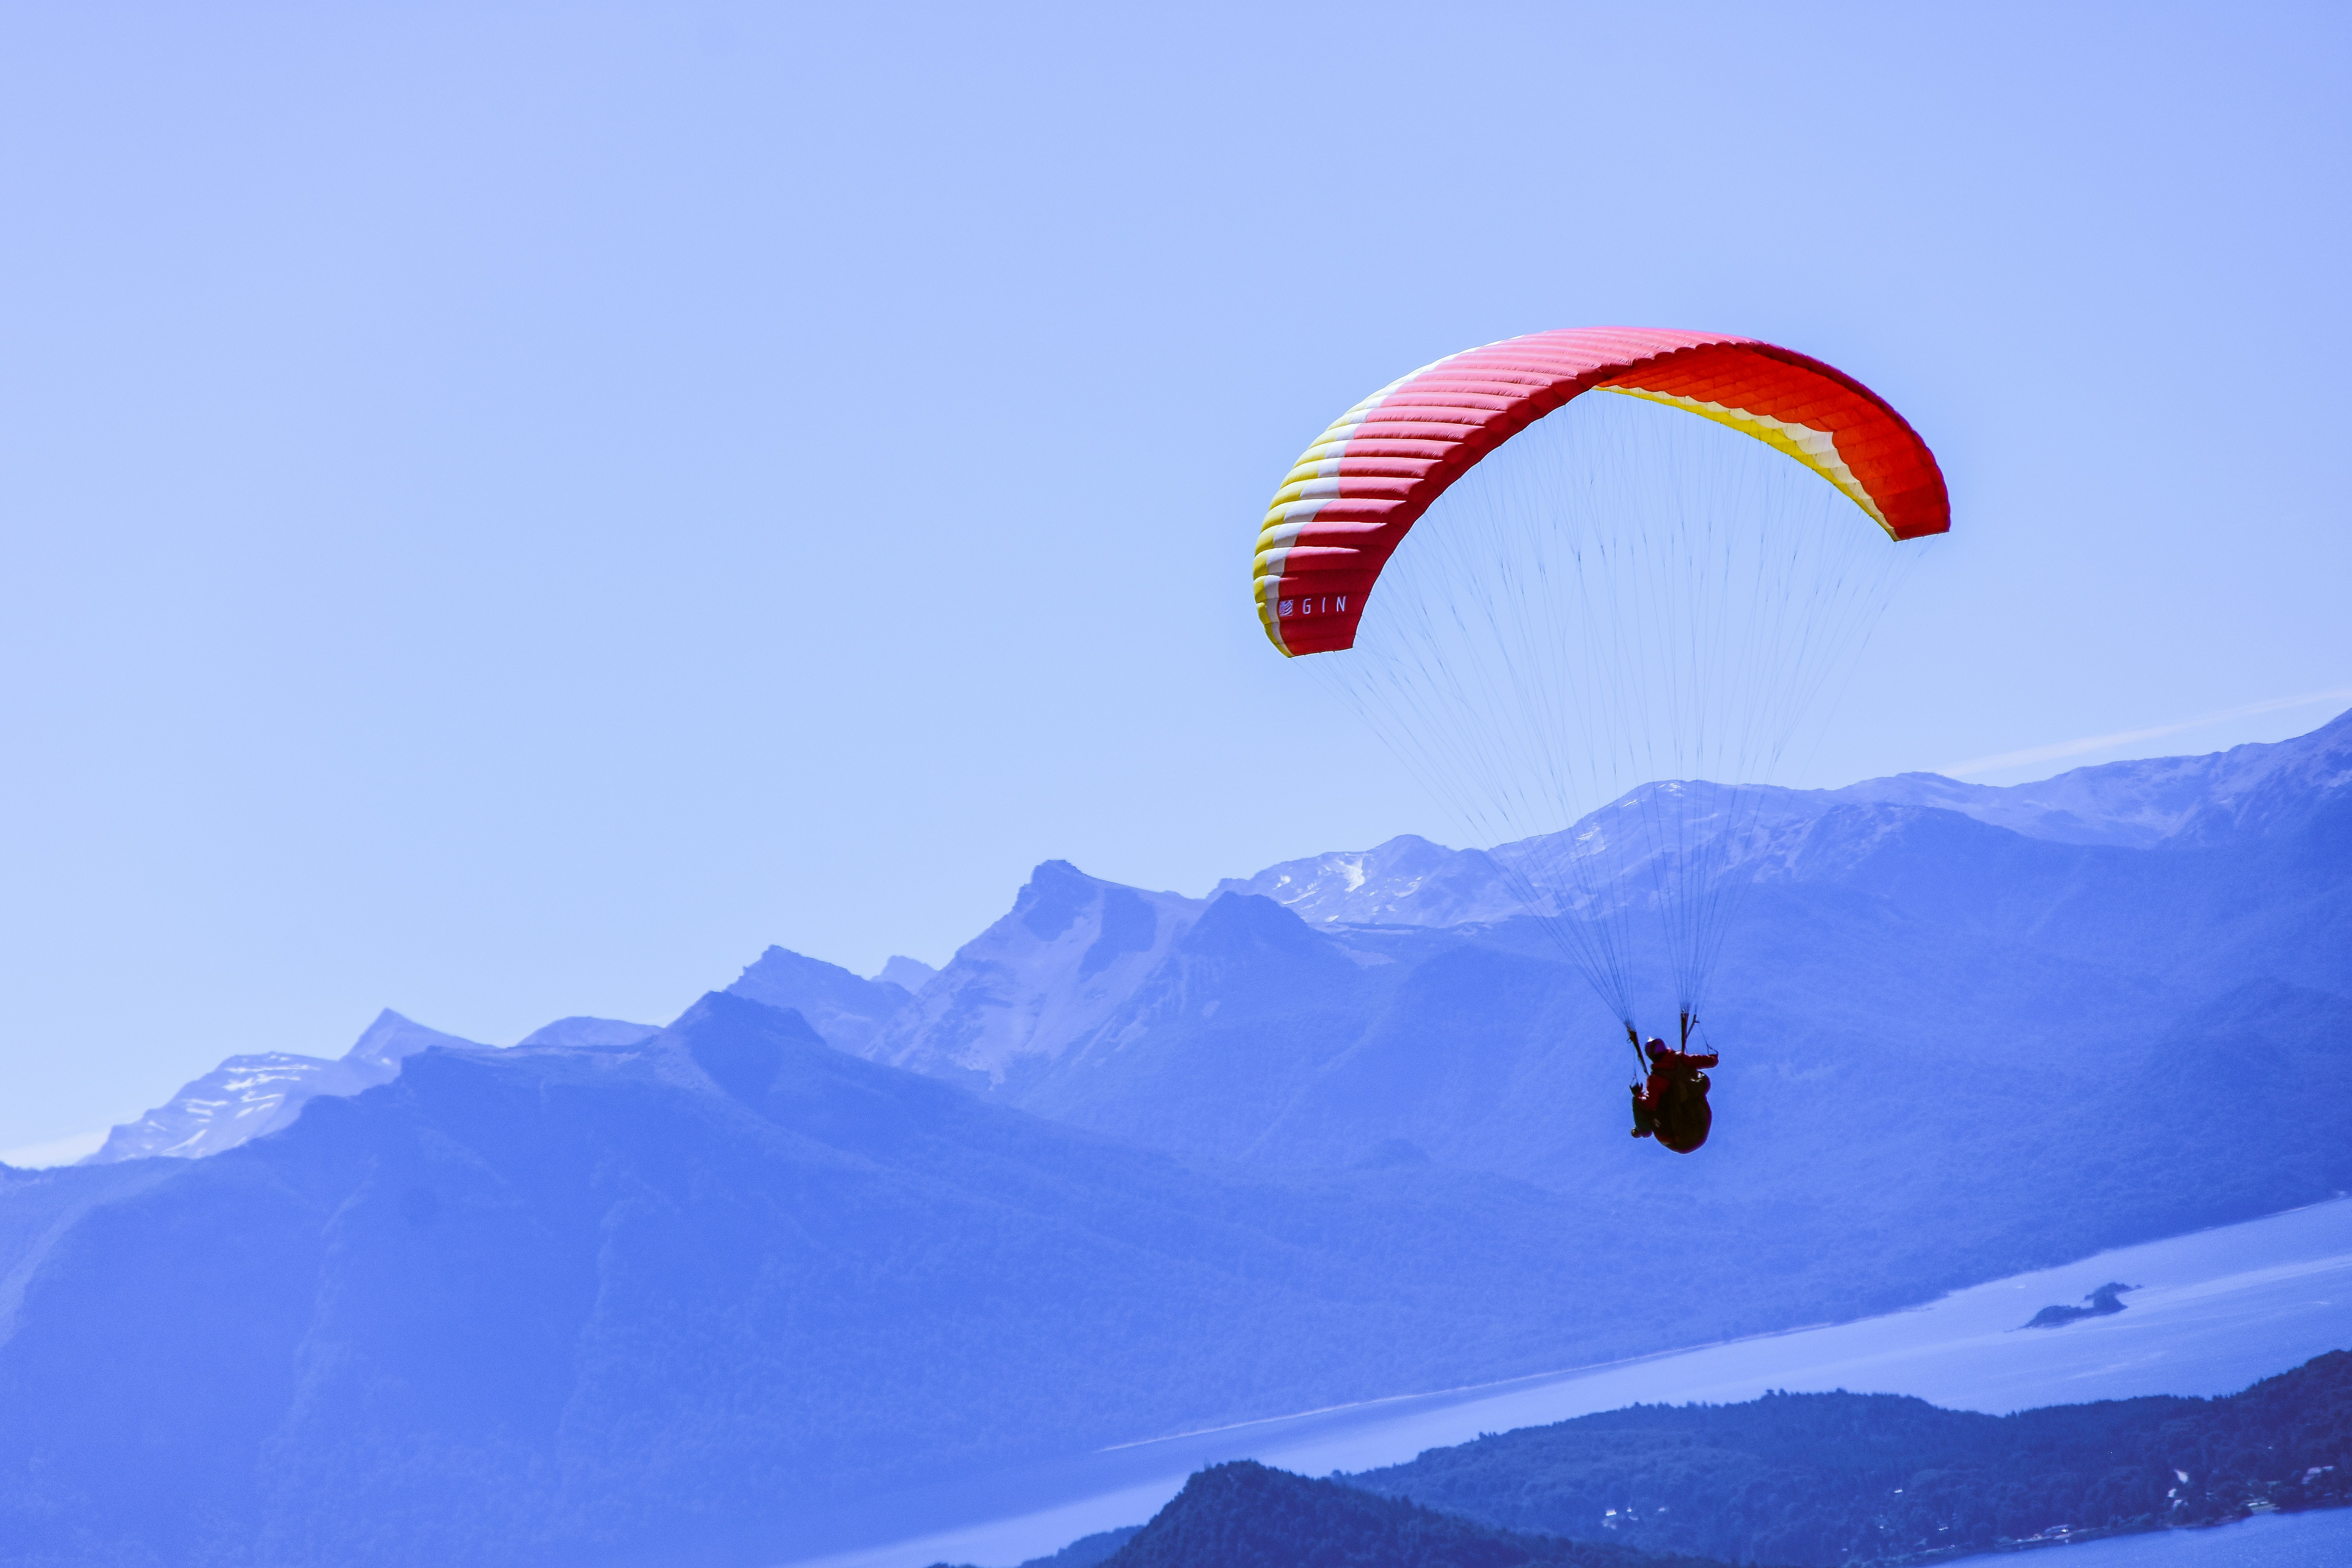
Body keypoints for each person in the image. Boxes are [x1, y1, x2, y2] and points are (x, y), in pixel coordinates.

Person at [1629, 1034, 1719, 1153]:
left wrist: (1638, 1094)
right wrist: (1713, 1058)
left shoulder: (1655, 1080)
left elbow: (1650, 1105)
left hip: (1678, 1140)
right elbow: (1708, 1061)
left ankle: (1643, 1130)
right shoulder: (1681, 1059)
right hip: (1702, 1125)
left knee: (1638, 1101)